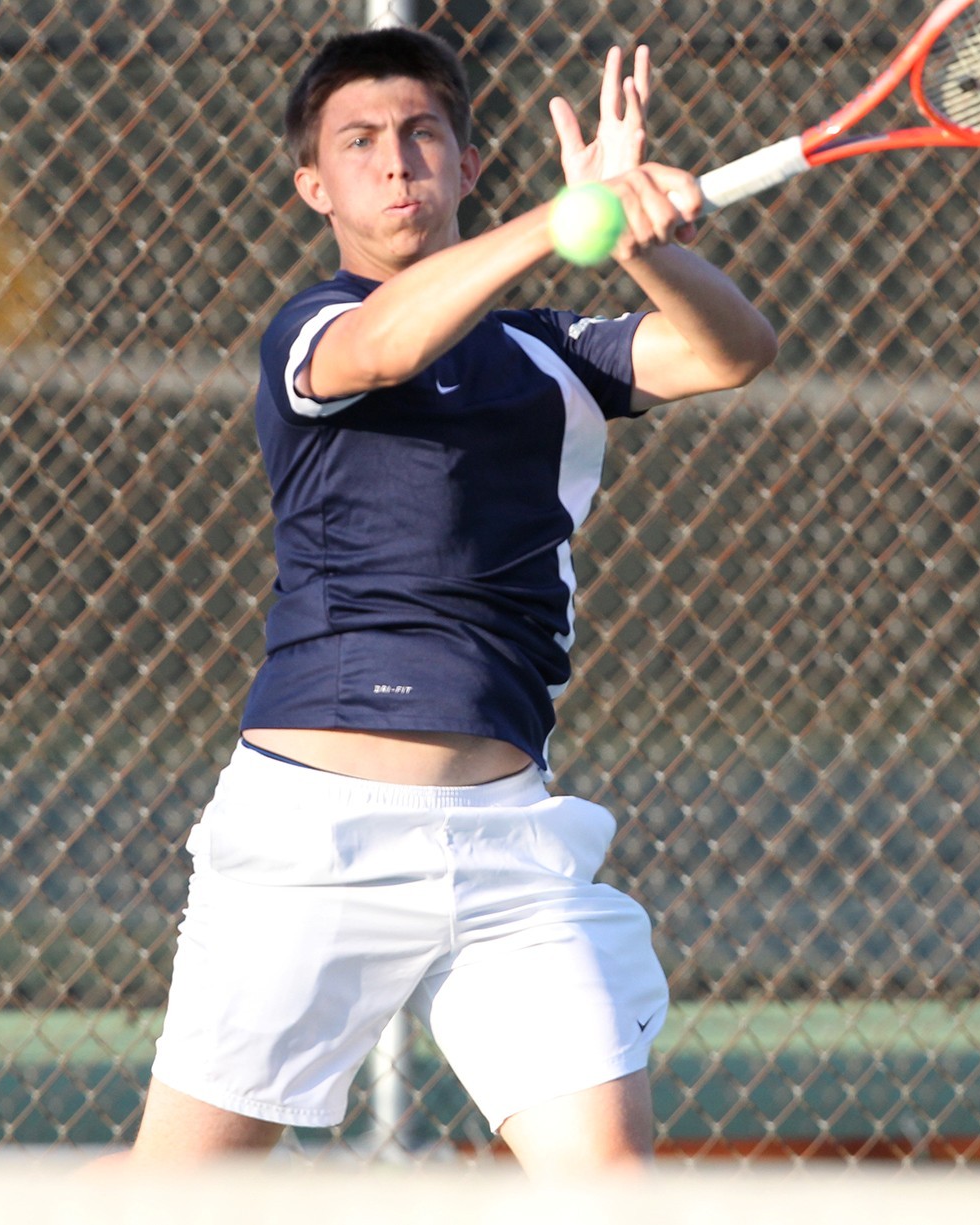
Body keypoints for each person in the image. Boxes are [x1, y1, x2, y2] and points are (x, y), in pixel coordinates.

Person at [124, 28, 775, 1175]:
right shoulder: (310, 330)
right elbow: (383, 348)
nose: (395, 160)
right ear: (313, 186)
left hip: (510, 842)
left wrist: (634, 243)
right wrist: (562, 219)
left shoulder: (549, 351)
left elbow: (729, 352)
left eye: (422, 133)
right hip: (314, 838)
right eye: (359, 141)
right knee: (173, 1189)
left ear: (466, 165)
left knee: (607, 1183)